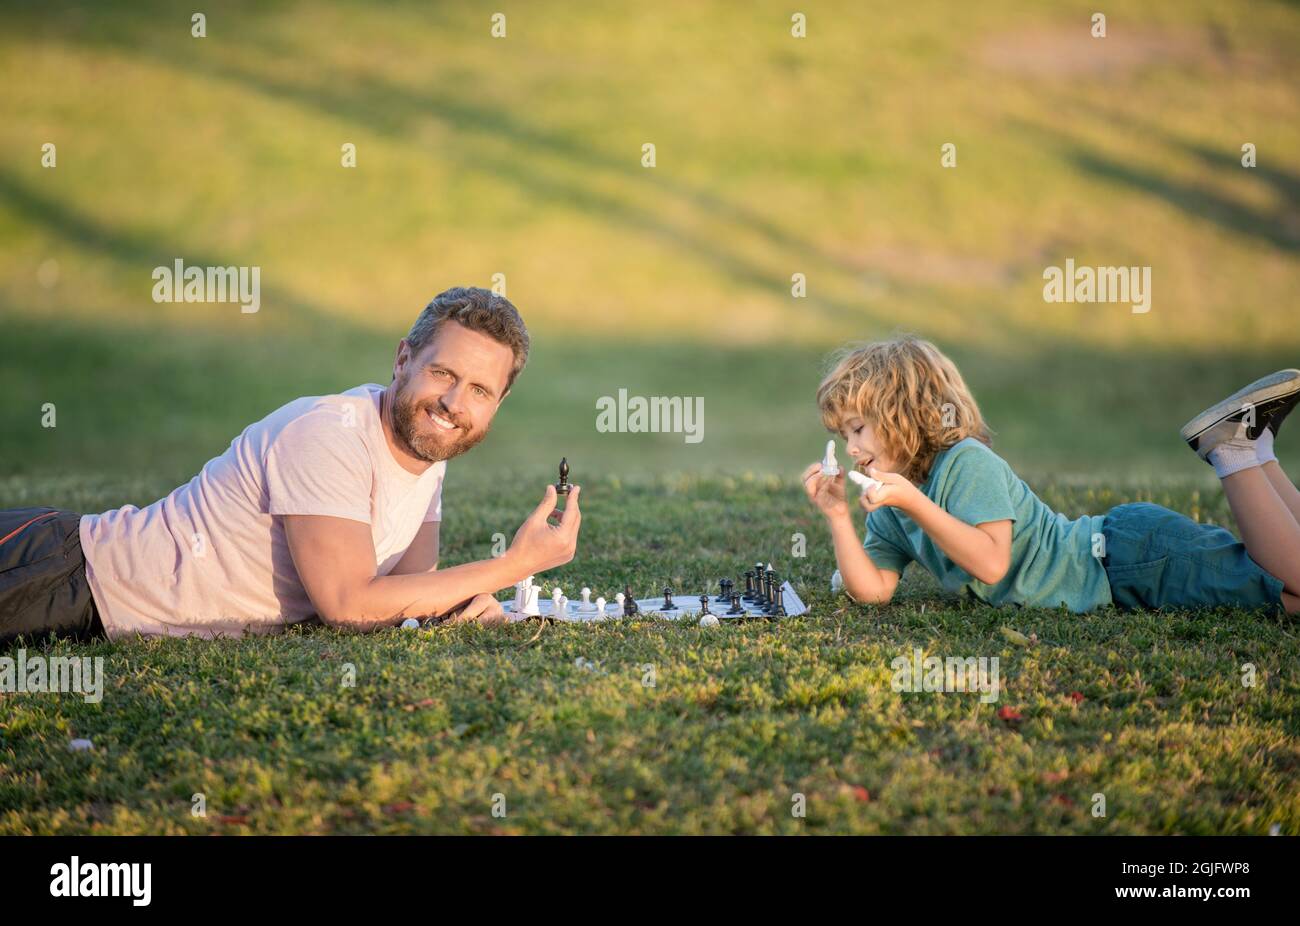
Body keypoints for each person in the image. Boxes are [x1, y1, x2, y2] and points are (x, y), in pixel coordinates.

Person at [0, 287, 582, 645]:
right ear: (403, 359)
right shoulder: (330, 435)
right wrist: (508, 568)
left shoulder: (428, 450)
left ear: (498, 404)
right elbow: (349, 606)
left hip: (84, 591)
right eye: (443, 374)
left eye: (480, 390)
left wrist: (457, 603)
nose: (454, 404)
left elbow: (403, 593)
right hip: (62, 572)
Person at [802, 335, 1299, 615]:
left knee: (1291, 584)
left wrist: (914, 502)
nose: (851, 449)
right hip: (1127, 576)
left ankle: (1235, 449)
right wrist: (838, 517)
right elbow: (874, 590)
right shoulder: (895, 506)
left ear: (901, 412)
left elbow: (992, 564)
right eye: (843, 435)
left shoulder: (966, 463)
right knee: (1288, 597)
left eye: (858, 429)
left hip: (1131, 556)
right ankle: (1258, 450)